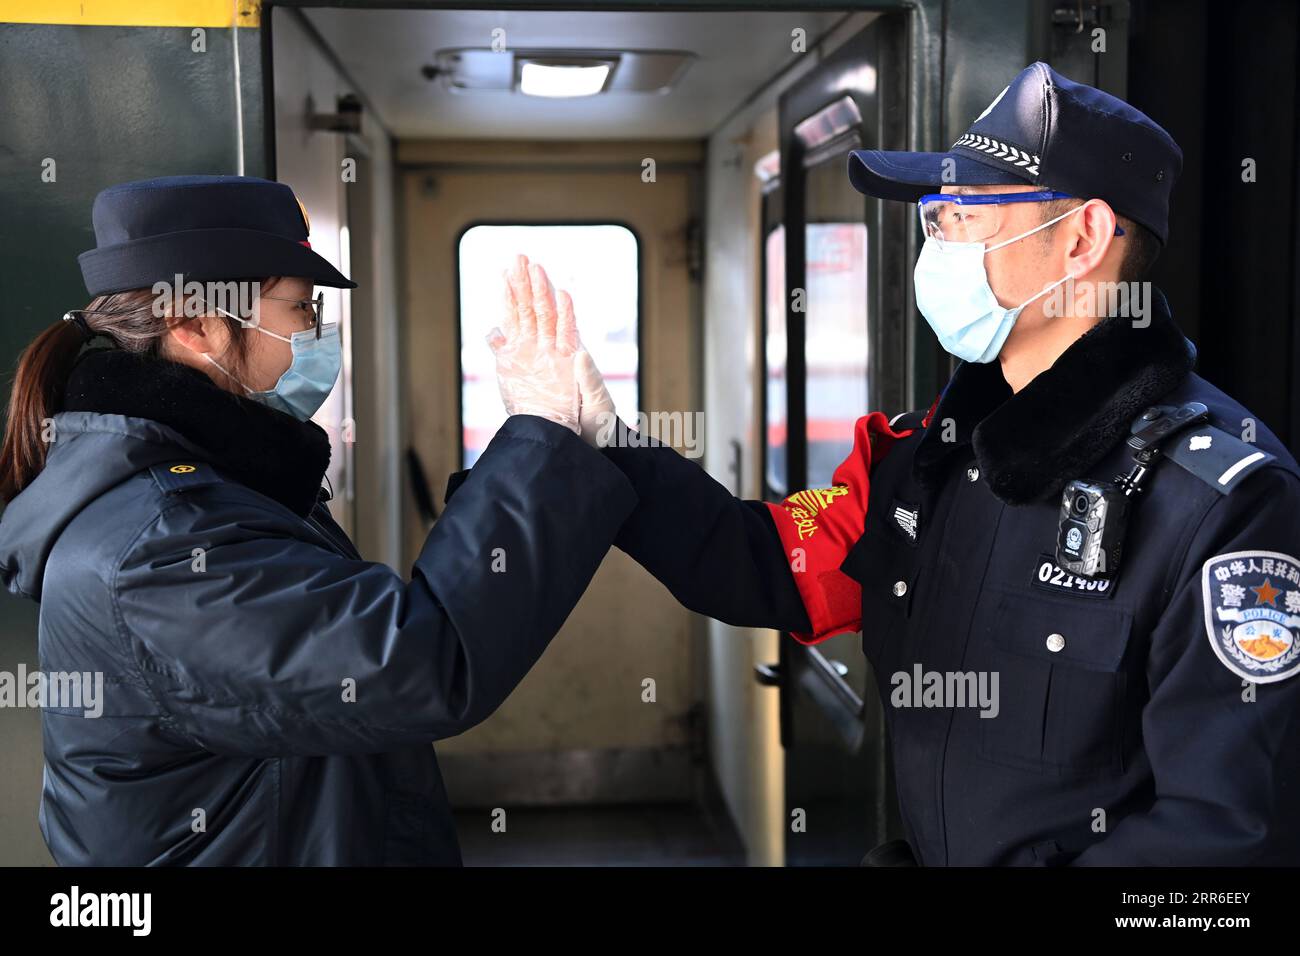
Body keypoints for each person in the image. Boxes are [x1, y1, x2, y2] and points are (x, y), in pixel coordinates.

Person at [559, 63, 1300, 865]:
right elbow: (767, 560)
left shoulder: (1222, 502)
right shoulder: (929, 455)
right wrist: (602, 439)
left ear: (1082, 239)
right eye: (933, 219)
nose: (933, 246)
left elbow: (1222, 842)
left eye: (958, 216)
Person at [0, 175, 633, 865]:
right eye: (300, 308)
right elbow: (423, 661)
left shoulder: (220, 485)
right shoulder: (163, 547)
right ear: (196, 324)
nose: (317, 333)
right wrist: (541, 432)